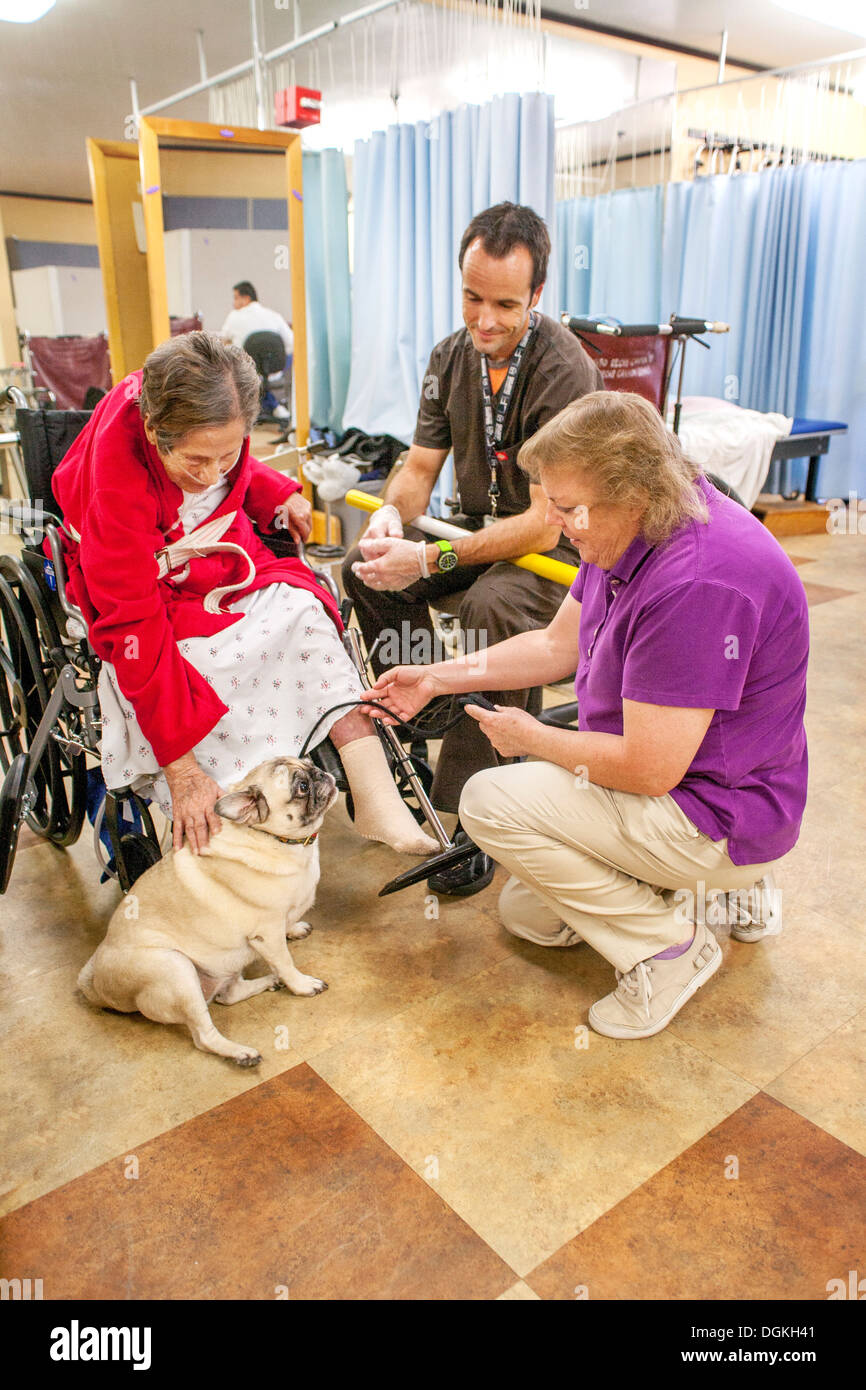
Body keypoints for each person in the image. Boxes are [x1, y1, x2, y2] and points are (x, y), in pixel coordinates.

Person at [369, 391, 809, 1039]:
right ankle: (701, 889)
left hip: (720, 812)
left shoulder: (696, 583)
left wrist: (533, 739)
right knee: (533, 919)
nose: (556, 523)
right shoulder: (638, 525)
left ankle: (672, 947)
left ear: (633, 491)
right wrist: (437, 676)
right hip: (695, 785)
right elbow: (556, 645)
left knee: (490, 802)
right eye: (550, 502)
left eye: (567, 508)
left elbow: (649, 770)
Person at [51, 332, 436, 858]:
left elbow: (228, 465)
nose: (211, 475)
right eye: (195, 461)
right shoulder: (114, 484)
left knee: (305, 611)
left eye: (226, 456)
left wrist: (274, 493)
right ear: (153, 430)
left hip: (218, 557)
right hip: (147, 586)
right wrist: (181, 767)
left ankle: (374, 793)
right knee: (192, 659)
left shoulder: (215, 420)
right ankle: (239, 807)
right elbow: (133, 624)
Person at [342, 201, 603, 897]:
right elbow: (420, 470)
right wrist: (392, 524)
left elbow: (547, 524)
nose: (483, 320)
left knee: (494, 603)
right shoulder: (447, 358)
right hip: (475, 535)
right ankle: (435, 705)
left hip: (558, 554)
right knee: (361, 567)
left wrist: (429, 560)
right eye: (472, 297)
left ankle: (473, 807)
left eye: (505, 305)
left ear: (538, 297)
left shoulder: (564, 372)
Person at [219, 281, 293, 419]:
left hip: (246, 372)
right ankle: (277, 406)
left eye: (236, 298)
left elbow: (223, 339)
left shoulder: (235, 316)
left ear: (246, 298)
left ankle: (271, 406)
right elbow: (292, 343)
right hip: (276, 370)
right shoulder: (274, 316)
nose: (233, 303)